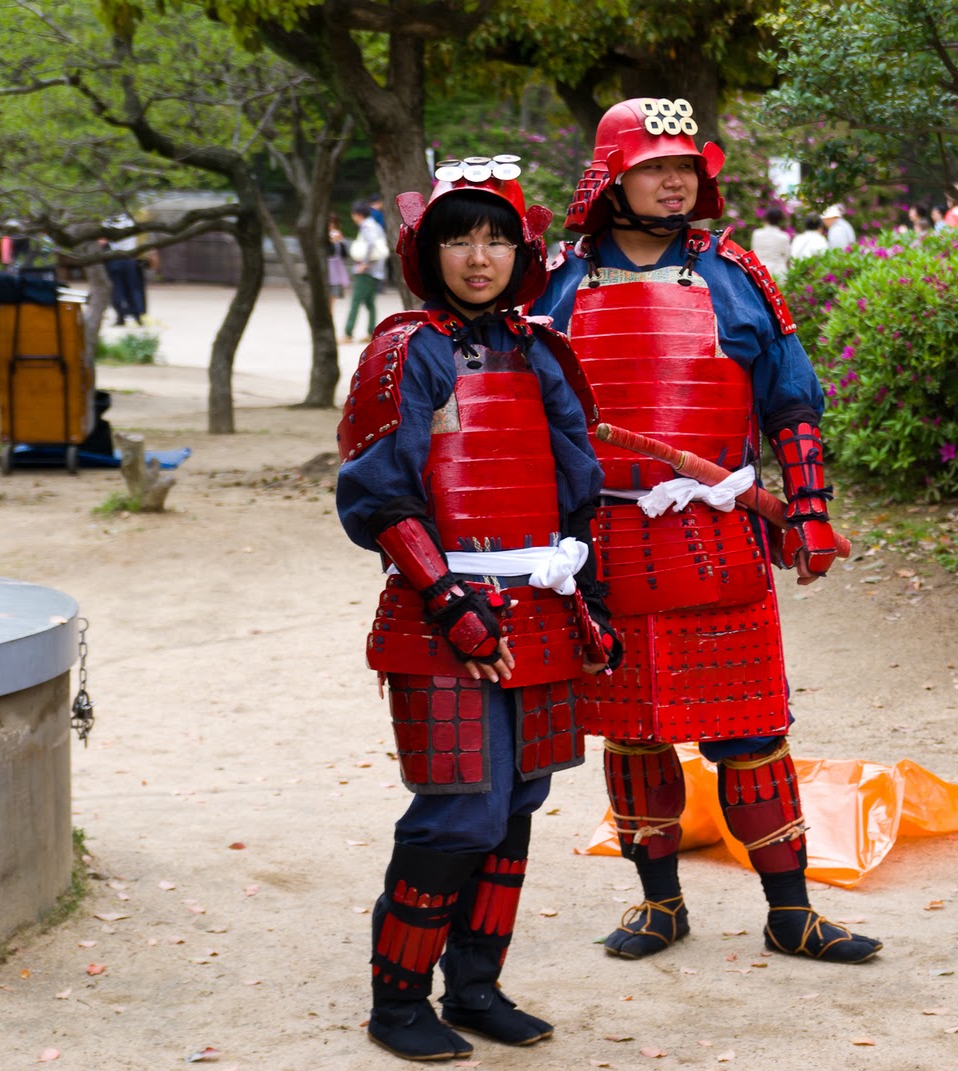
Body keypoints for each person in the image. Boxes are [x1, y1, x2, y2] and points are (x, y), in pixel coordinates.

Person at [534, 97, 882, 965]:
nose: (675, 179)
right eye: (655, 166)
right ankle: (659, 905)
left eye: (684, 165)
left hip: (718, 535)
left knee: (753, 734)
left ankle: (790, 911)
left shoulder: (735, 273)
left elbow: (793, 405)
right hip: (606, 543)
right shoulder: (558, 283)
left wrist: (809, 511)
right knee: (635, 732)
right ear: (612, 179)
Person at [335, 155, 621, 1061]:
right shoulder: (403, 349)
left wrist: (591, 593)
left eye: (497, 236)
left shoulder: (539, 347)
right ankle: (396, 1000)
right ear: (430, 250)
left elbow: (579, 482)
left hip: (537, 603)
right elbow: (380, 496)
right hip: (439, 610)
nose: (479, 254)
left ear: (521, 250)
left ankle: (477, 986)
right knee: (459, 809)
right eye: (459, 235)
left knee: (515, 805)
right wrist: (451, 602)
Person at [343, 199, 389, 342]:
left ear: (357, 214)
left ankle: (348, 333)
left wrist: (364, 263)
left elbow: (370, 244)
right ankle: (371, 332)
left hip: (367, 270)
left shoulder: (366, 227)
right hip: (377, 270)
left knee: (356, 301)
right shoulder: (375, 225)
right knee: (370, 303)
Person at [750, 205, 791, 280]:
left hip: (760, 271)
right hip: (779, 272)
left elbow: (754, 252)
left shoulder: (757, 234)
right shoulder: (784, 237)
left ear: (766, 218)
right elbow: (786, 256)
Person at [326, 213, 351, 312]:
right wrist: (331, 242)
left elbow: (344, 255)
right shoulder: (322, 237)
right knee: (326, 293)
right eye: (330, 223)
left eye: (334, 223)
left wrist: (341, 242)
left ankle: (329, 312)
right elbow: (328, 253)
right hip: (327, 269)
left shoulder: (338, 235)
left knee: (334, 294)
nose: (332, 226)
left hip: (337, 270)